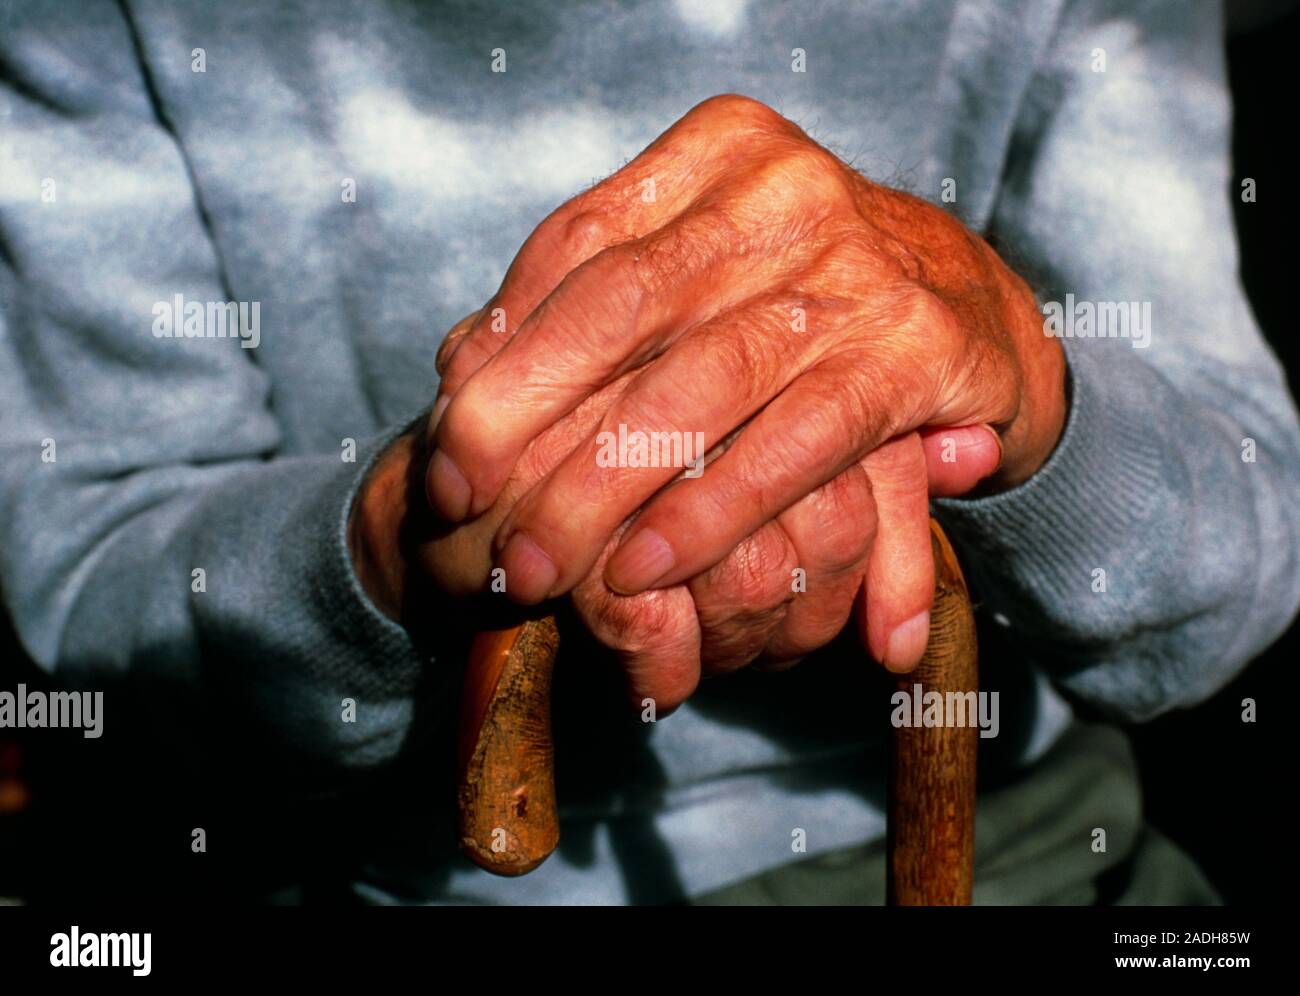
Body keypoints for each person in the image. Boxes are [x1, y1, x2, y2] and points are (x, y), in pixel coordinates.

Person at [1, 0, 1296, 904]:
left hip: (1020, 850)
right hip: (387, 880)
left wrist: (1019, 383)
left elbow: (1242, 557)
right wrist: (406, 539)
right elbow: (101, 591)